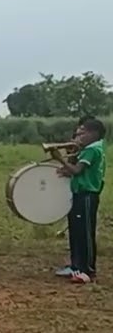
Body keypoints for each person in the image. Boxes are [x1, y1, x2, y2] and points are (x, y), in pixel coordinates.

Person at [60, 118, 105, 284]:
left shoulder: (92, 149)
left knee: (85, 233)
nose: (79, 136)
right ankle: (75, 266)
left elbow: (77, 170)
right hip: (78, 192)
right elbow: (73, 168)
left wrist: (59, 157)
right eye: (77, 133)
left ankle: (87, 270)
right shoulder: (86, 148)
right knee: (75, 231)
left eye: (82, 133)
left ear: (94, 134)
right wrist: (72, 152)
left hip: (87, 194)